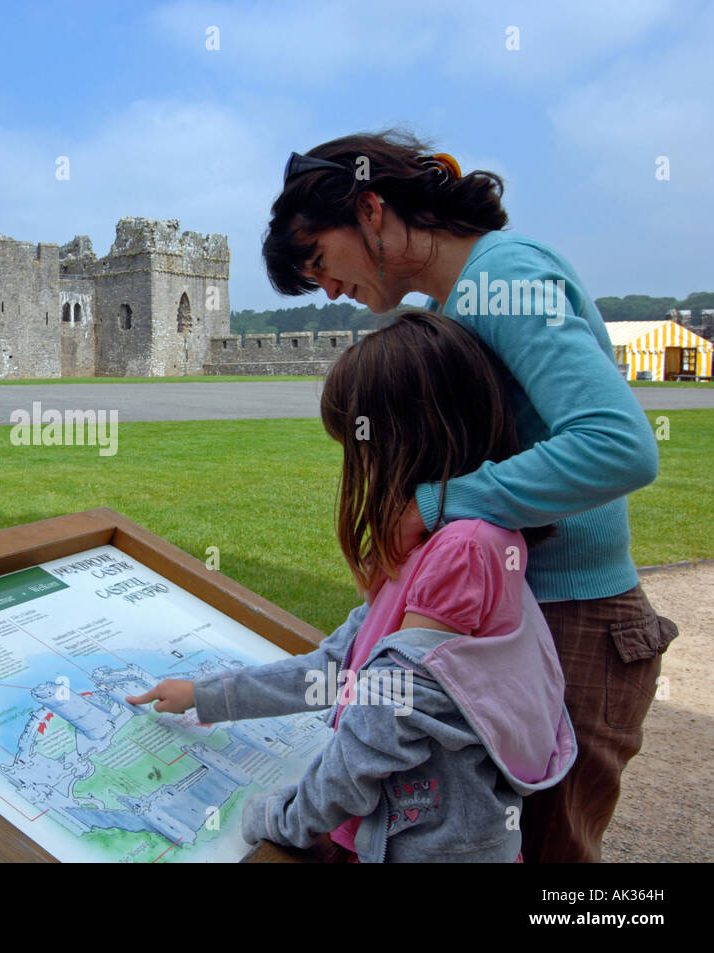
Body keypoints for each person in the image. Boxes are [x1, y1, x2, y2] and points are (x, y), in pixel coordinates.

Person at [257, 130, 678, 862]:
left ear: (371, 209)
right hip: (528, 614)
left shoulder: (500, 276)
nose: (326, 289)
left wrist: (431, 503)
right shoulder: (466, 295)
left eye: (319, 260)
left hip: (576, 618)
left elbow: (618, 444)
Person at [129, 311, 576, 862]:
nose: (358, 464)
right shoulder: (433, 543)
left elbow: (383, 722)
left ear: (405, 437)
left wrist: (287, 819)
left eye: (361, 444)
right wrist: (207, 696)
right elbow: (335, 667)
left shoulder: (463, 551)